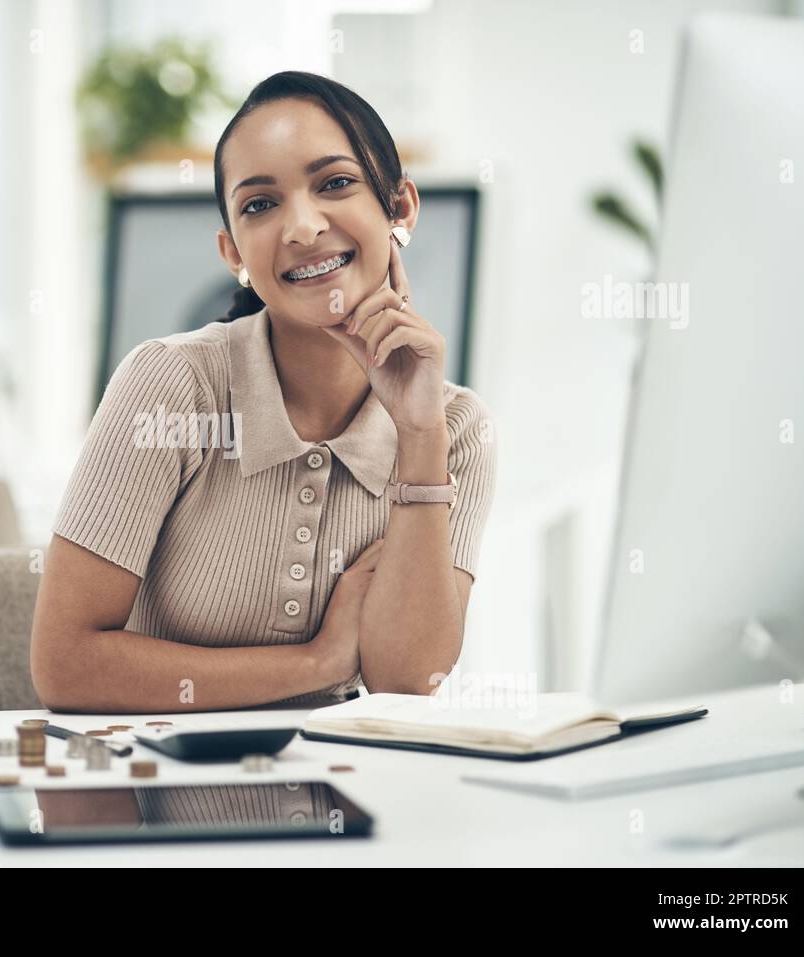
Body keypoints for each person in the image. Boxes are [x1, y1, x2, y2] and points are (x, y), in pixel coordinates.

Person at [31, 71, 496, 713]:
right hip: (159, 790)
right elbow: (65, 666)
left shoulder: (456, 427)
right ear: (234, 253)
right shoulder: (172, 385)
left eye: (334, 183)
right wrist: (317, 663)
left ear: (400, 209)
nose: (302, 228)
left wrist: (419, 435)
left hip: (341, 789)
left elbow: (410, 684)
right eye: (259, 204)